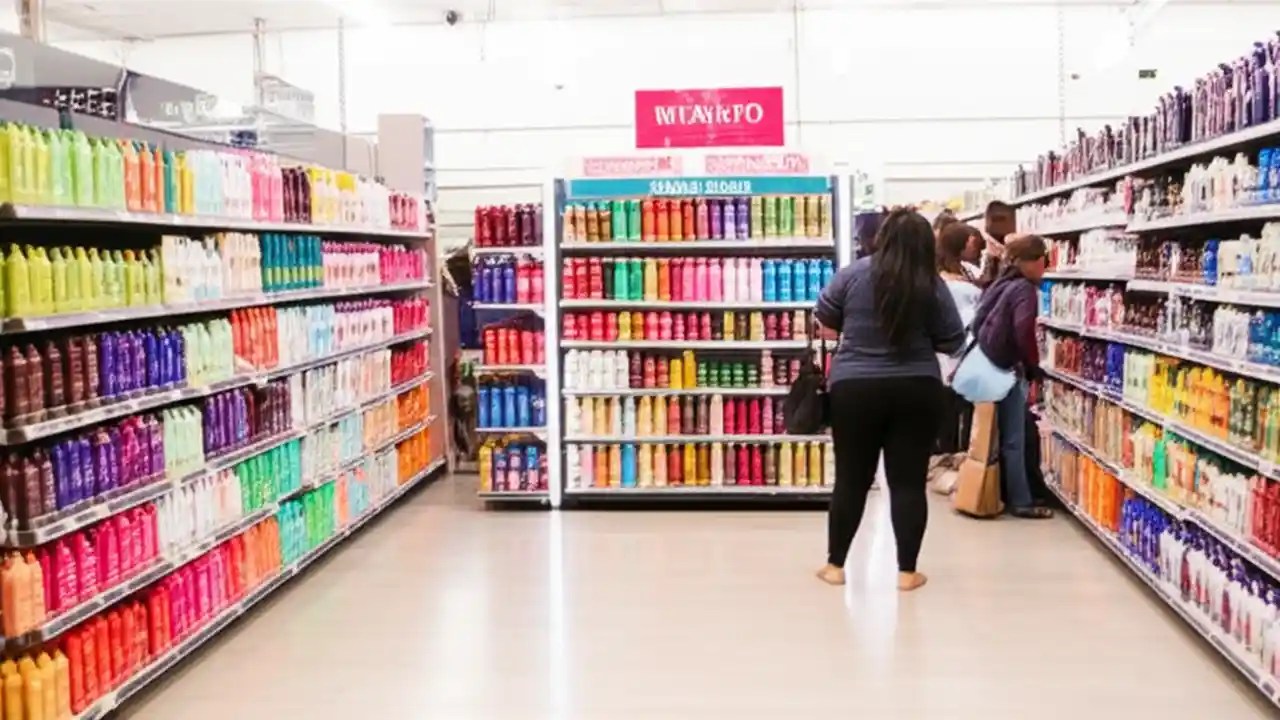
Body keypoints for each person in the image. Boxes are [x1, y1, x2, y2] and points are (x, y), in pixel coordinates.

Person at [813, 209, 966, 591]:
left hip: (855, 388)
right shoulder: (931, 284)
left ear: (883, 237)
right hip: (916, 387)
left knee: (850, 479)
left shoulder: (852, 274)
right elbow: (954, 341)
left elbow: (826, 323)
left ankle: (835, 566)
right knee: (908, 483)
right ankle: (906, 572)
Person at [972, 234, 1054, 519]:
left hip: (990, 366)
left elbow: (977, 321)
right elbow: (1023, 331)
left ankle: (1004, 493)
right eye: (1043, 259)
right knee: (1014, 438)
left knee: (999, 436)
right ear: (1030, 262)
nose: (1045, 265)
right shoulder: (1025, 290)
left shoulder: (1000, 284)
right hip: (1008, 369)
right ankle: (1021, 500)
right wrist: (1032, 366)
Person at [933, 223, 984, 462]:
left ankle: (950, 457)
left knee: (950, 409)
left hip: (949, 351)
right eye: (971, 242)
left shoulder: (957, 273)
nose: (975, 247)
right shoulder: (957, 282)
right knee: (958, 409)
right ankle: (954, 457)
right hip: (959, 349)